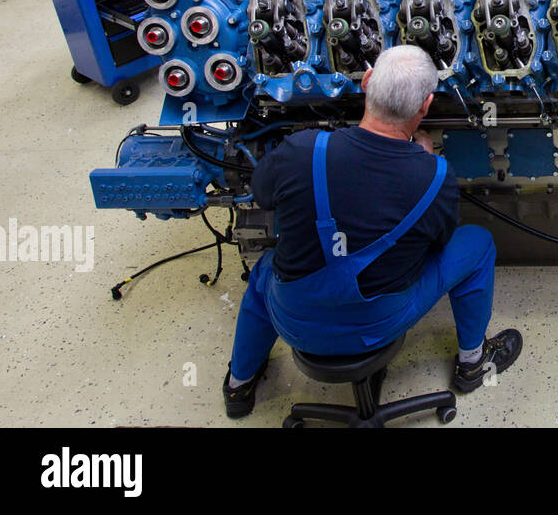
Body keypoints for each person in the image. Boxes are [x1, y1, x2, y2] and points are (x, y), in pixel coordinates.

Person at [222, 45, 523, 418]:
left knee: (264, 269)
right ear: (426, 105)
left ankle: (239, 385)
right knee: (477, 244)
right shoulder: (435, 176)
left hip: (295, 323)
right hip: (380, 324)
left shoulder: (301, 150)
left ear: (366, 82)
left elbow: (264, 196)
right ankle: (472, 363)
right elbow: (439, 243)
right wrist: (424, 163)